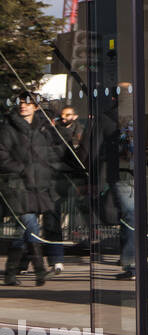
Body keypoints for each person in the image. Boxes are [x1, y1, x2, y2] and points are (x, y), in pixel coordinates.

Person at [0, 95, 59, 286]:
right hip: (17, 185)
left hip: (38, 186)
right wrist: (21, 169)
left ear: (35, 107)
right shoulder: (8, 129)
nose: (24, 107)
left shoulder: (42, 129)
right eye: (21, 104)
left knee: (23, 230)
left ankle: (10, 272)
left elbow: (52, 153)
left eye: (28, 104)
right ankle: (40, 270)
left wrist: (51, 171)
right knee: (31, 226)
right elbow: (2, 156)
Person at [44, 105, 87, 274]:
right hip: (58, 178)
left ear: (75, 116)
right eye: (63, 115)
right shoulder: (54, 132)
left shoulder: (81, 132)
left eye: (68, 115)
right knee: (52, 216)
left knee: (82, 211)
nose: (64, 118)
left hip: (75, 179)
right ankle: (56, 259)